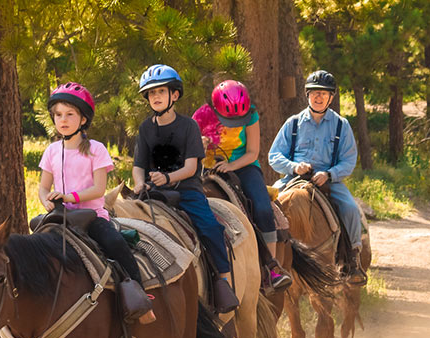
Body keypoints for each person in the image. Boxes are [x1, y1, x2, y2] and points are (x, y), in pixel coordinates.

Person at [38, 82, 155, 324]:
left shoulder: (96, 149)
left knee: (115, 243)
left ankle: (140, 298)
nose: (63, 120)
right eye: (58, 114)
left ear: (83, 119)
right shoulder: (51, 151)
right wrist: (46, 201)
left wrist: (70, 196)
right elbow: (43, 187)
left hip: (91, 216)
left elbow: (99, 189)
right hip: (60, 217)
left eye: (70, 114)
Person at [132, 65, 240, 313]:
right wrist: (139, 183)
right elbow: (138, 165)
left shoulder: (188, 126)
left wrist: (167, 178)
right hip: (152, 191)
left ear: (175, 95)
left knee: (210, 227)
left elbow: (192, 167)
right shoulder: (145, 129)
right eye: (151, 94)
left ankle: (223, 280)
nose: (156, 97)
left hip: (186, 190)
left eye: (161, 91)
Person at [268, 70, 367, 286]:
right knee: (267, 205)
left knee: (350, 208)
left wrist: (330, 174)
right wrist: (294, 166)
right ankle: (266, 261)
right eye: (314, 93)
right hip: (292, 179)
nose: (318, 97)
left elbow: (349, 160)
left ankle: (352, 260)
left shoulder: (342, 125)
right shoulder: (293, 123)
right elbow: (273, 156)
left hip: (328, 181)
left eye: (323, 93)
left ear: (331, 97)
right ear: (307, 95)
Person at [193, 79, 292, 291]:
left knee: (264, 209)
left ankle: (271, 269)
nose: (237, 122)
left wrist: (232, 165)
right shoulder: (201, 116)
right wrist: (199, 146)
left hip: (243, 166)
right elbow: (189, 152)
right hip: (205, 166)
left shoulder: (252, 115)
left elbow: (252, 152)